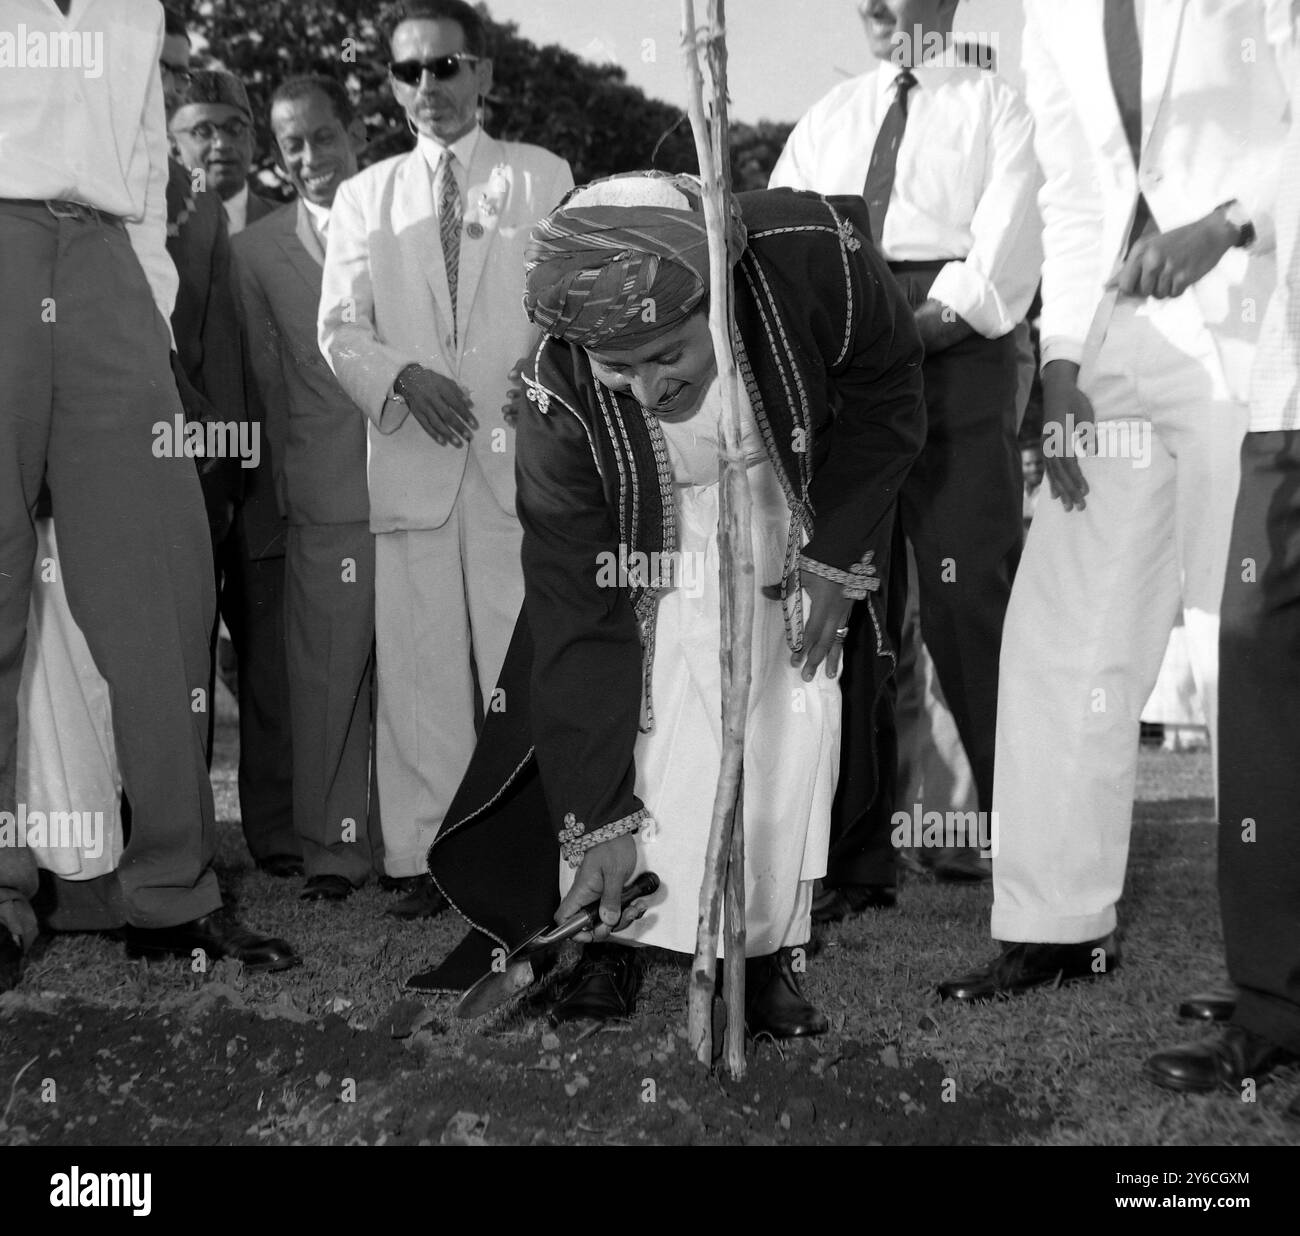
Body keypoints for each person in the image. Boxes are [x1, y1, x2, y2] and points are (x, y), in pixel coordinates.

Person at [414, 172, 925, 1037]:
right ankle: (612, 944)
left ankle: (758, 956)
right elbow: (577, 615)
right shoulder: (557, 394)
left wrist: (838, 559)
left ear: (715, 300)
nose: (650, 391)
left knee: (780, 719)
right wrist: (597, 822)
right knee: (640, 725)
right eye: (621, 368)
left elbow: (888, 389)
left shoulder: (811, 254)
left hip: (779, 507)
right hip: (636, 540)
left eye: (668, 358)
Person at [939, 0, 1288, 1003]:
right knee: (1060, 632)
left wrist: (1230, 223)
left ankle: (1275, 967)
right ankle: (1056, 927)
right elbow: (1076, 192)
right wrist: (1058, 362)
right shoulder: (1048, 10)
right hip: (1117, 338)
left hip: (1259, 323)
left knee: (1248, 646)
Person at [0, 0, 295, 995]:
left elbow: (142, 159)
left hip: (110, 268)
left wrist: (157, 333)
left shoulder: (136, 6)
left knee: (163, 590)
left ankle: (173, 897)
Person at [769, 0, 1041, 910]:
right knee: (849, 609)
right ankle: (851, 859)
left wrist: (905, 331)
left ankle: (1036, 854)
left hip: (953, 356)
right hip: (849, 356)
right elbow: (778, 241)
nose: (876, 7)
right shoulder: (827, 118)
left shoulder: (998, 104)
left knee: (972, 607)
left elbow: (1003, 255)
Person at [318, 0, 574, 918]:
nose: (428, 87)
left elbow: (567, 307)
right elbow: (340, 329)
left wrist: (539, 386)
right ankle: (427, 863)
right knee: (422, 675)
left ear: (485, 75)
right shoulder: (362, 196)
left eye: (446, 66)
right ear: (391, 83)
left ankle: (531, 848)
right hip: (413, 455)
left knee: (522, 665)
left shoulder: (544, 176)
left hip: (518, 467)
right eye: (409, 72)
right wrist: (402, 377)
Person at [1145, 44, 1300, 1122]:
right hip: (1284, 403)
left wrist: (1219, 224)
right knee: (1255, 675)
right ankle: (1275, 997)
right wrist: (1226, 220)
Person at [233, 76, 384, 903]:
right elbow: (265, 386)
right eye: (291, 144)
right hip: (323, 494)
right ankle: (332, 852)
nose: (309, 158)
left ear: (356, 132)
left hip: (418, 484)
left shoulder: (402, 220)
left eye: (323, 137)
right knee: (326, 677)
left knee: (419, 676)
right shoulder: (255, 253)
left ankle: (418, 845)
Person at [171, 67, 298, 877]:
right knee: (177, 664)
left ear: (256, 136)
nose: (219, 143)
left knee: (271, 659)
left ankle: (280, 836)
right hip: (177, 474)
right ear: (174, 141)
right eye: (200, 129)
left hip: (275, 479)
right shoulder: (147, 225)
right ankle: (180, 839)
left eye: (233, 126)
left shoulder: (298, 228)